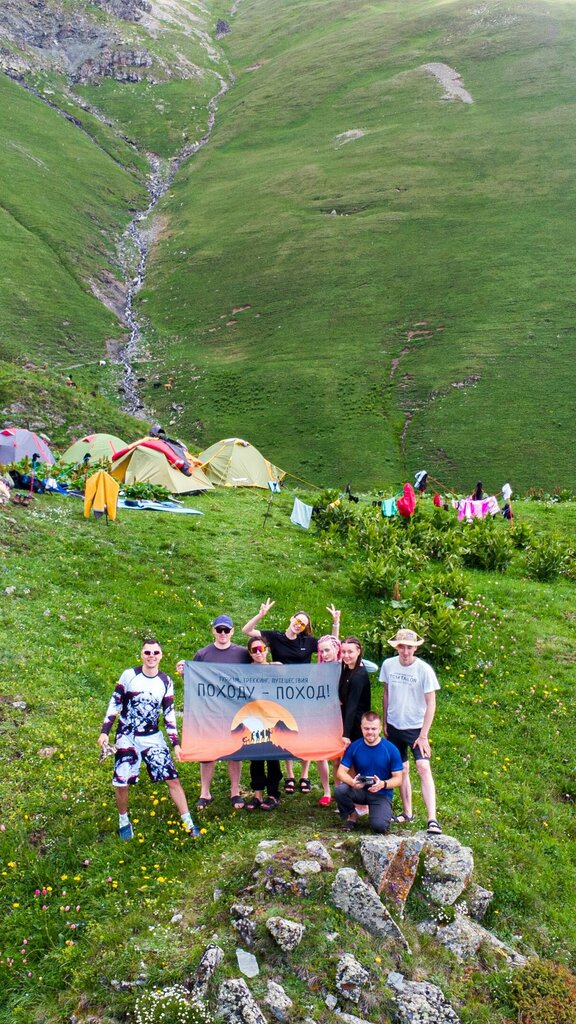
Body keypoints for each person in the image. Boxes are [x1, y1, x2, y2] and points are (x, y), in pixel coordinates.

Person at [98, 637, 199, 840]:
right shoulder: (129, 676)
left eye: (155, 652)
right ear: (142, 654)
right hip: (127, 736)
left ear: (161, 655)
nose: (151, 656)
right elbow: (115, 703)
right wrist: (104, 731)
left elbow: (169, 714)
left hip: (153, 737)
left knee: (173, 779)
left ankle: (188, 822)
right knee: (121, 781)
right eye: (147, 652)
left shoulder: (166, 681)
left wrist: (175, 744)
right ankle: (123, 821)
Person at [242, 599, 341, 793]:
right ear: (291, 618)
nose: (299, 625)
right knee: (284, 729)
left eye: (303, 624)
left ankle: (304, 774)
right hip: (280, 693)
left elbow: (333, 645)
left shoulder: (307, 642)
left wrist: (335, 623)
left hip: (302, 693)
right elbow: (247, 631)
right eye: (297, 620)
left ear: (305, 627)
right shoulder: (275, 637)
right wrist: (260, 615)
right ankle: (289, 775)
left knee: (302, 731)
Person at [176, 615, 250, 809]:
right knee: (207, 752)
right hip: (209, 711)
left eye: (227, 630)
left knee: (235, 752)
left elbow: (257, 675)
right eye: (219, 630)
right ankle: (205, 792)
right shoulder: (203, 654)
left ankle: (235, 791)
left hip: (235, 710)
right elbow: (194, 682)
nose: (223, 633)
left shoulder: (243, 654)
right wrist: (185, 673)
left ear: (233, 631)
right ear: (213, 631)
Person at [379, 627, 442, 835]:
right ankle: (407, 813)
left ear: (415, 648)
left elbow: (431, 703)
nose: (405, 651)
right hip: (395, 725)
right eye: (402, 647)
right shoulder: (389, 665)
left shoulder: (424, 670)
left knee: (423, 767)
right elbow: (386, 692)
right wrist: (385, 720)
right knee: (402, 769)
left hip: (416, 727)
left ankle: (432, 818)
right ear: (397, 647)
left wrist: (424, 735)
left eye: (410, 647)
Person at [335, 711, 403, 832]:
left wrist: (383, 784)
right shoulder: (355, 746)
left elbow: (398, 779)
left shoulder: (391, 749)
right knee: (340, 790)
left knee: (379, 827)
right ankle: (352, 815)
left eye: (373, 728)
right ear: (361, 728)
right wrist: (352, 782)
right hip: (360, 790)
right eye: (366, 728)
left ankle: (380, 814)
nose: (370, 732)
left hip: (381, 793)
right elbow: (340, 772)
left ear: (380, 729)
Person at [300, 634, 342, 807]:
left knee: (339, 757)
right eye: (321, 651)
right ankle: (327, 791)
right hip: (322, 717)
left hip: (340, 716)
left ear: (336, 649)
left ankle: (340, 790)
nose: (324, 654)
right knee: (321, 755)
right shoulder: (317, 670)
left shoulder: (344, 666)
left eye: (327, 650)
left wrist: (336, 623)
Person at [244, 636, 283, 811]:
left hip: (273, 718)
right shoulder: (244, 671)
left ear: (266, 649)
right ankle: (258, 794)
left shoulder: (277, 668)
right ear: (250, 653)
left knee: (273, 757)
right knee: (256, 758)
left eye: (261, 649)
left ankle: (273, 794)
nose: (258, 653)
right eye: (254, 650)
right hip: (253, 719)